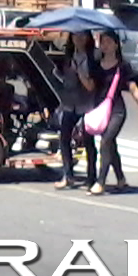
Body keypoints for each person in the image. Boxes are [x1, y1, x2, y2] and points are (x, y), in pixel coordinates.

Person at [90, 30, 138, 195]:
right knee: (111, 145)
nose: (105, 45)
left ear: (116, 44)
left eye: (109, 42)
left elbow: (133, 88)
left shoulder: (123, 65)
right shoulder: (95, 64)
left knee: (106, 141)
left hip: (117, 110)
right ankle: (121, 179)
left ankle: (101, 182)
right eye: (102, 42)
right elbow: (90, 87)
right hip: (100, 110)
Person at [53, 31, 99, 190]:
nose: (79, 39)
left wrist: (79, 72)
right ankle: (68, 175)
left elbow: (91, 86)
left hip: (86, 104)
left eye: (82, 36)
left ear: (88, 38)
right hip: (69, 103)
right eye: (75, 35)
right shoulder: (68, 56)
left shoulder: (93, 58)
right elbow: (63, 78)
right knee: (64, 139)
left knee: (88, 142)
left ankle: (92, 177)